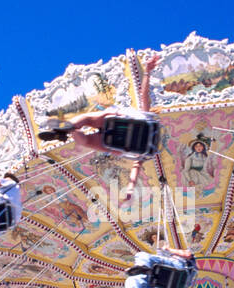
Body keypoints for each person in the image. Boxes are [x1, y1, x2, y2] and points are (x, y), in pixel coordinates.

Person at [38, 55, 162, 200]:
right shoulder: (146, 150)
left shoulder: (147, 117)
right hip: (117, 142)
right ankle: (70, 130)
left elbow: (144, 94)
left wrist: (147, 72)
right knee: (86, 141)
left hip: (116, 121)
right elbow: (136, 168)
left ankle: (69, 127)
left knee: (87, 119)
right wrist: (130, 188)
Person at [113, 245, 197, 288]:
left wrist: (168, 249)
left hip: (179, 270)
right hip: (175, 286)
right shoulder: (190, 271)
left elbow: (188, 254)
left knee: (142, 255)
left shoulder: (190, 261)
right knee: (133, 279)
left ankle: (143, 266)